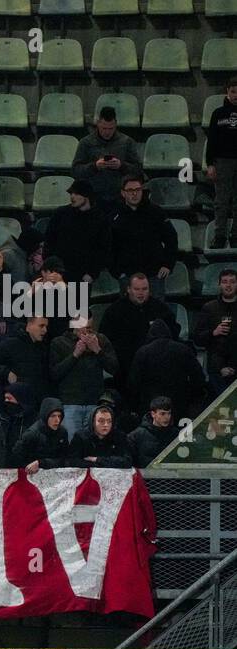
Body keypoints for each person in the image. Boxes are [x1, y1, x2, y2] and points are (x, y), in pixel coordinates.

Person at [98, 274, 178, 395]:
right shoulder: (114, 311)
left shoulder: (160, 309)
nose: (141, 293)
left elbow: (173, 331)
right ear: (129, 289)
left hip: (154, 368)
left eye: (144, 289)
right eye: (137, 289)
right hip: (125, 369)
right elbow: (104, 338)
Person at [49, 314, 119, 439]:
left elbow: (114, 368)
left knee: (93, 445)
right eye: (83, 328)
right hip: (70, 404)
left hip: (95, 404)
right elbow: (55, 374)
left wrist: (98, 350)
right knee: (72, 445)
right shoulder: (59, 343)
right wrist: (74, 355)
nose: (87, 332)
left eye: (90, 328)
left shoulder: (100, 340)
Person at [109, 173, 176, 299]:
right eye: (130, 190)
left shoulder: (156, 212)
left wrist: (168, 264)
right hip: (127, 276)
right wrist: (118, 273)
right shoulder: (115, 216)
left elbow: (171, 239)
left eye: (137, 190)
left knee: (156, 314)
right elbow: (109, 246)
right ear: (123, 193)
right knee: (128, 315)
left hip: (154, 275)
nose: (134, 193)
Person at [129, 320, 207, 419]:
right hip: (178, 403)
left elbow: (133, 382)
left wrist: (134, 406)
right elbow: (198, 376)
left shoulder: (143, 352)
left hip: (150, 404)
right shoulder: (183, 349)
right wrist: (193, 397)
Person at [72, 106, 143, 207]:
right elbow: (75, 171)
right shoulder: (86, 143)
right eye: (104, 128)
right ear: (98, 124)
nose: (107, 132)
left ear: (116, 125)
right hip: (94, 197)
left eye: (111, 128)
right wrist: (95, 166)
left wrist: (121, 166)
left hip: (120, 198)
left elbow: (138, 170)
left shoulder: (126, 142)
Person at [43, 179, 111, 285]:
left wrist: (92, 273)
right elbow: (49, 241)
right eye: (71, 193)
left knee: (79, 302)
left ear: (86, 195)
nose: (72, 197)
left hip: (82, 277)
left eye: (76, 193)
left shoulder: (100, 219)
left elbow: (103, 249)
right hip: (58, 274)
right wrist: (49, 268)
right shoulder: (61, 214)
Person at [0, 314, 51, 402]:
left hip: (35, 403)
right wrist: (6, 373)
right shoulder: (11, 344)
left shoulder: (42, 348)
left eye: (46, 327)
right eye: (41, 326)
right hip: (13, 404)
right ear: (29, 325)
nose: (45, 330)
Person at [196, 267, 237, 397]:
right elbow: (198, 338)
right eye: (225, 281)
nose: (228, 285)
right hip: (216, 370)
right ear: (219, 284)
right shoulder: (209, 308)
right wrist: (213, 332)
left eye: (232, 281)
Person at [207, 78, 237, 249]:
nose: (236, 95)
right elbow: (212, 140)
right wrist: (210, 163)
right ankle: (219, 236)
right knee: (221, 201)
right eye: (233, 91)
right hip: (223, 162)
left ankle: (235, 236)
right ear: (227, 92)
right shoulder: (218, 113)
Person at [11, 397, 71, 474]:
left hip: (55, 474)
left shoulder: (62, 432)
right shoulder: (31, 434)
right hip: (31, 475)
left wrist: (41, 463)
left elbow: (65, 459)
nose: (57, 420)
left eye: (59, 416)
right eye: (53, 416)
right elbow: (15, 459)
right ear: (45, 415)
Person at [69, 404, 134, 468]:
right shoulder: (80, 437)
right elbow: (72, 461)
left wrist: (97, 460)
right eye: (101, 421)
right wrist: (107, 463)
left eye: (109, 421)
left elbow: (127, 461)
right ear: (93, 422)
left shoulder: (119, 436)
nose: (106, 425)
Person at [127, 396, 179, 467]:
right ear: (153, 414)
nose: (167, 417)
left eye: (169, 413)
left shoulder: (176, 434)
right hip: (145, 476)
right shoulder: (137, 435)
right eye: (162, 414)